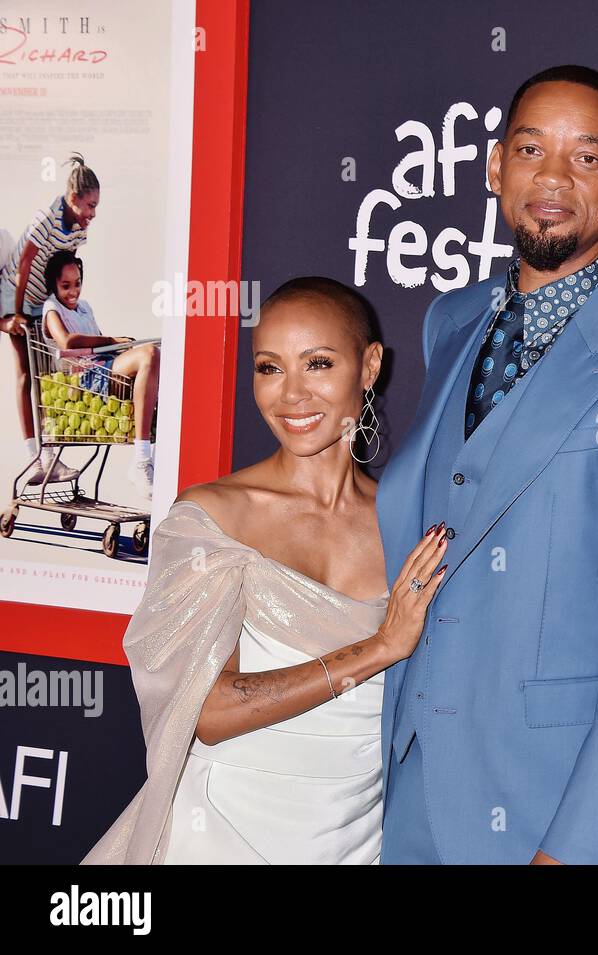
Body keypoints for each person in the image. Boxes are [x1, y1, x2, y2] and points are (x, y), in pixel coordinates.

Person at [376, 65, 598, 865]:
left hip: (549, 813)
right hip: (410, 794)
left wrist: (579, 850)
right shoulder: (451, 319)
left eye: (587, 157)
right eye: (532, 148)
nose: (552, 176)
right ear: (494, 165)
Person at [83, 277, 447, 864]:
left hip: (357, 839)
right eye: (269, 368)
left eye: (319, 364)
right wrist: (379, 648)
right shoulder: (214, 519)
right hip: (222, 833)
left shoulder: (411, 526)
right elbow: (208, 712)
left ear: (370, 366)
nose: (292, 395)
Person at [2, 153, 99, 485]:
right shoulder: (47, 218)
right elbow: (25, 265)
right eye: (89, 205)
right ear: (73, 199)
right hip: (16, 296)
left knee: (50, 376)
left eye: (96, 206)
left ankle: (48, 457)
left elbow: (67, 268)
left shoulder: (77, 230)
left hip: (41, 301)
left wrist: (66, 311)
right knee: (26, 374)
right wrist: (16, 313)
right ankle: (35, 456)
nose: (93, 213)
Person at [39, 250, 161, 497]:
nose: (74, 291)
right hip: (86, 379)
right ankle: (140, 460)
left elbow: (103, 349)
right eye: (66, 286)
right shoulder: (51, 308)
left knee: (160, 356)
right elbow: (66, 342)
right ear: (53, 285)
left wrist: (118, 346)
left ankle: (152, 459)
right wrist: (113, 339)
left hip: (104, 367)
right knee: (148, 354)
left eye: (78, 283)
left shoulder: (85, 308)